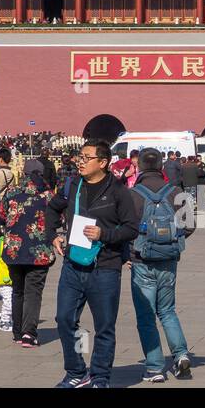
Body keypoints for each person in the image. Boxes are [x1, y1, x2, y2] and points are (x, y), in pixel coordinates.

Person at [46, 140, 138, 388]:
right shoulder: (73, 185)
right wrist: (52, 235)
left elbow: (131, 228)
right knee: (65, 320)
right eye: (80, 156)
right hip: (73, 265)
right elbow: (52, 209)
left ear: (103, 162)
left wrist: (104, 234)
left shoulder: (118, 191)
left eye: (87, 157)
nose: (81, 161)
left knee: (104, 327)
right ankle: (76, 370)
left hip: (105, 267)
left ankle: (100, 377)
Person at [128, 150, 194, 383]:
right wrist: (171, 239)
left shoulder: (132, 194)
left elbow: (124, 228)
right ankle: (181, 354)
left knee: (146, 316)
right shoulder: (176, 192)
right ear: (162, 166)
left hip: (141, 260)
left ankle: (155, 367)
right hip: (168, 260)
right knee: (167, 310)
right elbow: (190, 225)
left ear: (140, 167)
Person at [0, 160, 56, 347]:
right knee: (33, 292)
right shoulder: (47, 196)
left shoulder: (12, 193)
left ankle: (17, 331)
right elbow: (58, 219)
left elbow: (1, 216)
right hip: (39, 251)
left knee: (18, 291)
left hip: (14, 249)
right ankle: (29, 333)